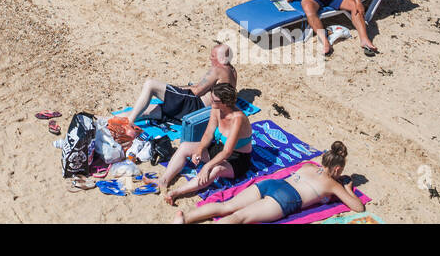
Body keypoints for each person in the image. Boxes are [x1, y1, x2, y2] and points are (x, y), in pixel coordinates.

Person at [175, 142, 363, 224]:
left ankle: (185, 220)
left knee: (226, 205)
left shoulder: (308, 166)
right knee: (240, 217)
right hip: (287, 198)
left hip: (271, 184)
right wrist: (348, 189)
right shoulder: (333, 184)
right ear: (338, 170)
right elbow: (358, 208)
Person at [161, 84, 253, 203]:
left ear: (225, 103)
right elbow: (208, 134)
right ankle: (163, 180)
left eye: (215, 100)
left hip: (237, 158)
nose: (211, 101)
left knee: (216, 169)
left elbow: (227, 152)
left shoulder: (238, 119)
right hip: (219, 147)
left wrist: (206, 166)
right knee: (185, 146)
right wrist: (199, 149)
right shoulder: (216, 109)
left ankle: (176, 193)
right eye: (212, 97)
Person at [126, 43, 236, 126]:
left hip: (194, 106)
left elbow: (197, 91)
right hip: (202, 113)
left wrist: (177, 88)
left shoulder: (217, 69)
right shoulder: (232, 71)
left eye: (213, 56)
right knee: (146, 110)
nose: (210, 58)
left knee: (150, 84)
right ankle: (110, 121)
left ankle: (128, 124)